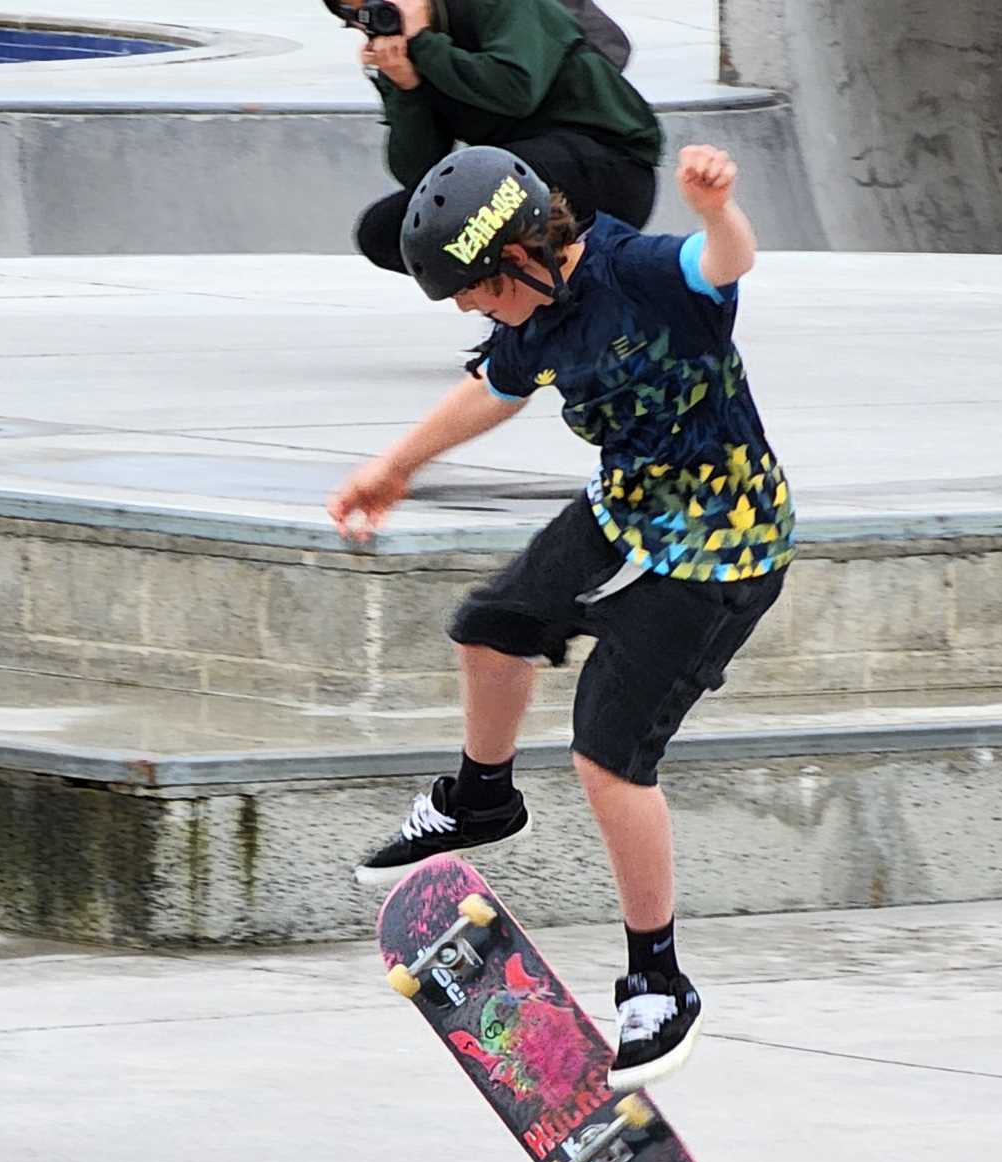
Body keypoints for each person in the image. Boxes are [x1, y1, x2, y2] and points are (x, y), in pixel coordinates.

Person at [327, 143, 791, 1091]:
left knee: (608, 750)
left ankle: (657, 979)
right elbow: (491, 389)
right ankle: (481, 796)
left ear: (524, 255)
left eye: (476, 289)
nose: (469, 307)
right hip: (623, 513)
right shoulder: (534, 315)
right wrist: (397, 467)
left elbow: (727, 264)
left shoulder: (639, 273)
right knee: (491, 627)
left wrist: (715, 207)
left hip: (723, 547)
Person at [332, 0, 663, 281]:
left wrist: (424, 43)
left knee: (495, 186)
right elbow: (416, 172)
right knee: (391, 232)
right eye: (359, 17)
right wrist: (408, 88)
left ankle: (565, 306)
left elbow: (516, 89)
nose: (378, 19)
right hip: (520, 172)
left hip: (610, 164)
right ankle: (527, 311)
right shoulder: (409, 51)